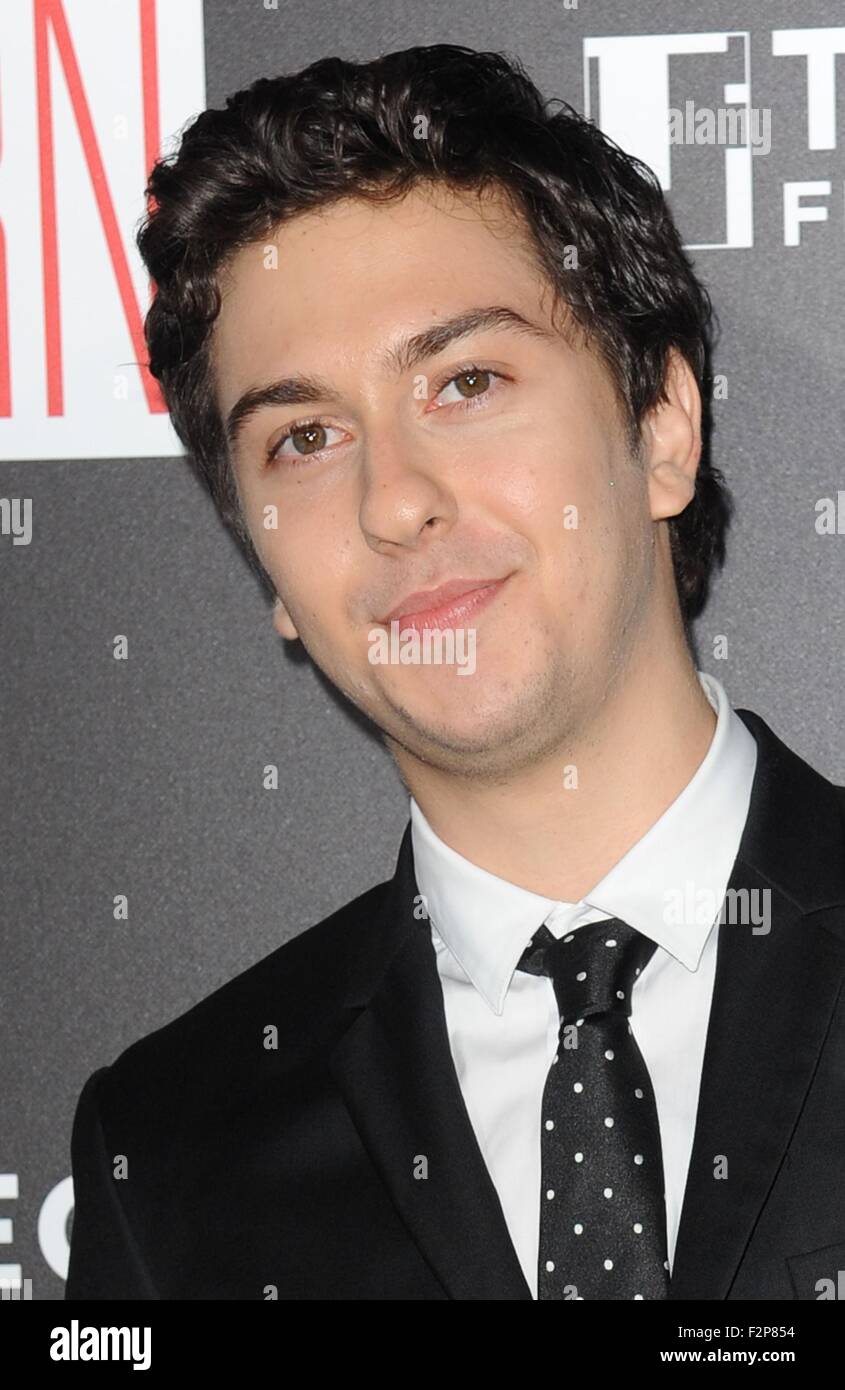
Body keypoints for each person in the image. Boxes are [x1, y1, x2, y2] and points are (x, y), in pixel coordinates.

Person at [65, 44, 845, 1301]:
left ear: (659, 429)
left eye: (465, 381)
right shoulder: (168, 1155)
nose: (395, 500)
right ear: (264, 566)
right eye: (305, 438)